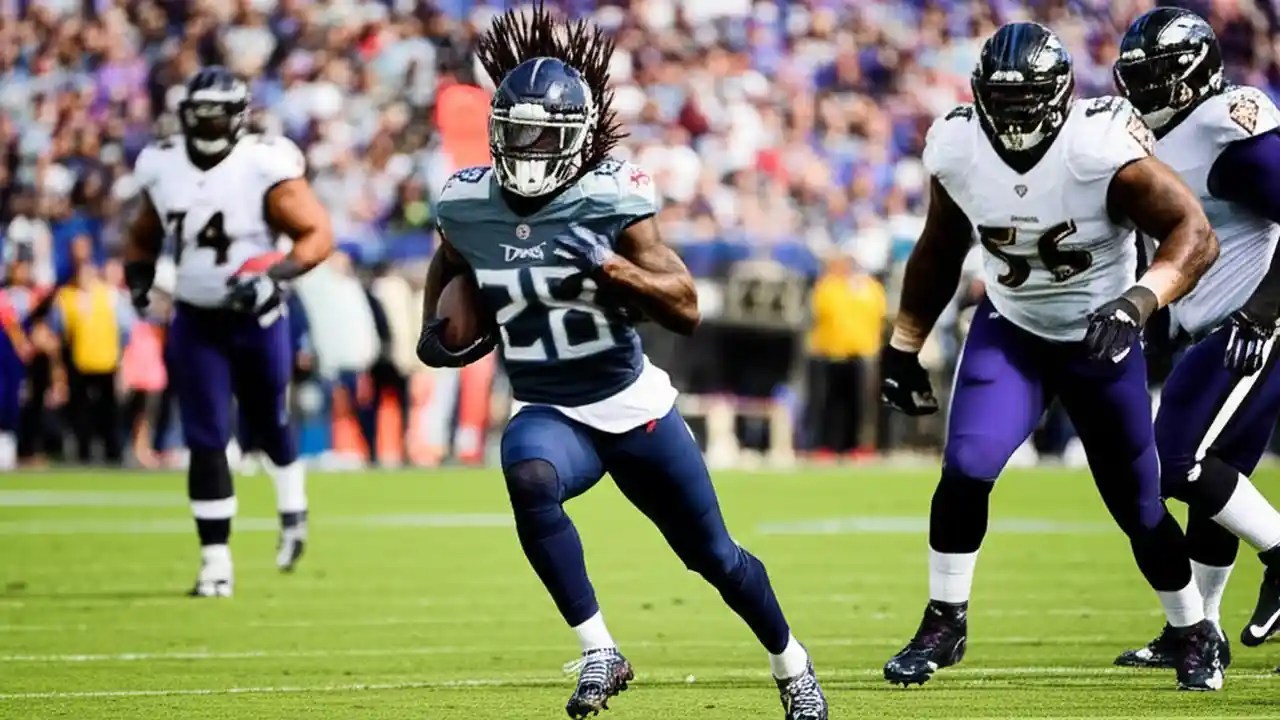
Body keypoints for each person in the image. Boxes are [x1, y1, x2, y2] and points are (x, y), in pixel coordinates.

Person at [414, 6, 828, 720]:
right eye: (516, 132)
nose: (529, 146)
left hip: (631, 404)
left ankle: (792, 665)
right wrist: (436, 332)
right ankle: (601, 648)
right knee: (529, 475)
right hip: (549, 405)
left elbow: (687, 307)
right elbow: (449, 264)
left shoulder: (612, 197)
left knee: (714, 558)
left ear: (574, 139)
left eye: (544, 133)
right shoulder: (467, 201)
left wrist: (613, 270)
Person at [878, 23, 1223, 690]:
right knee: (966, 470)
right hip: (1013, 329)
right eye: (999, 104)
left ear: (1060, 96)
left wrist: (1138, 302)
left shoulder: (1097, 145)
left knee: (1140, 506)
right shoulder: (955, 144)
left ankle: (1193, 629)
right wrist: (903, 346)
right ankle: (944, 621)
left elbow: (1194, 233)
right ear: (978, 96)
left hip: (1102, 338)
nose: (1010, 120)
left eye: (1025, 102)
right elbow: (940, 246)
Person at [1107, 8, 1280, 671]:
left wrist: (1262, 313)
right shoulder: (1151, 135)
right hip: (1207, 323)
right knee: (1218, 486)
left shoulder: (1223, 126)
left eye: (1158, 77)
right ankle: (1199, 634)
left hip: (1251, 323)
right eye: (1138, 78)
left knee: (1173, 462)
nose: (1146, 91)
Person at [121, 67, 334, 596]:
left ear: (239, 117)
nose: (209, 124)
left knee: (268, 419)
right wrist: (139, 276)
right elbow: (143, 236)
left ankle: (292, 508)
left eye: (218, 114)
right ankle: (215, 562)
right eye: (201, 114)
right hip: (195, 317)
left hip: (256, 316)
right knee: (206, 437)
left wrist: (273, 275)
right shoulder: (162, 165)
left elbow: (316, 235)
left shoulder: (264, 164)